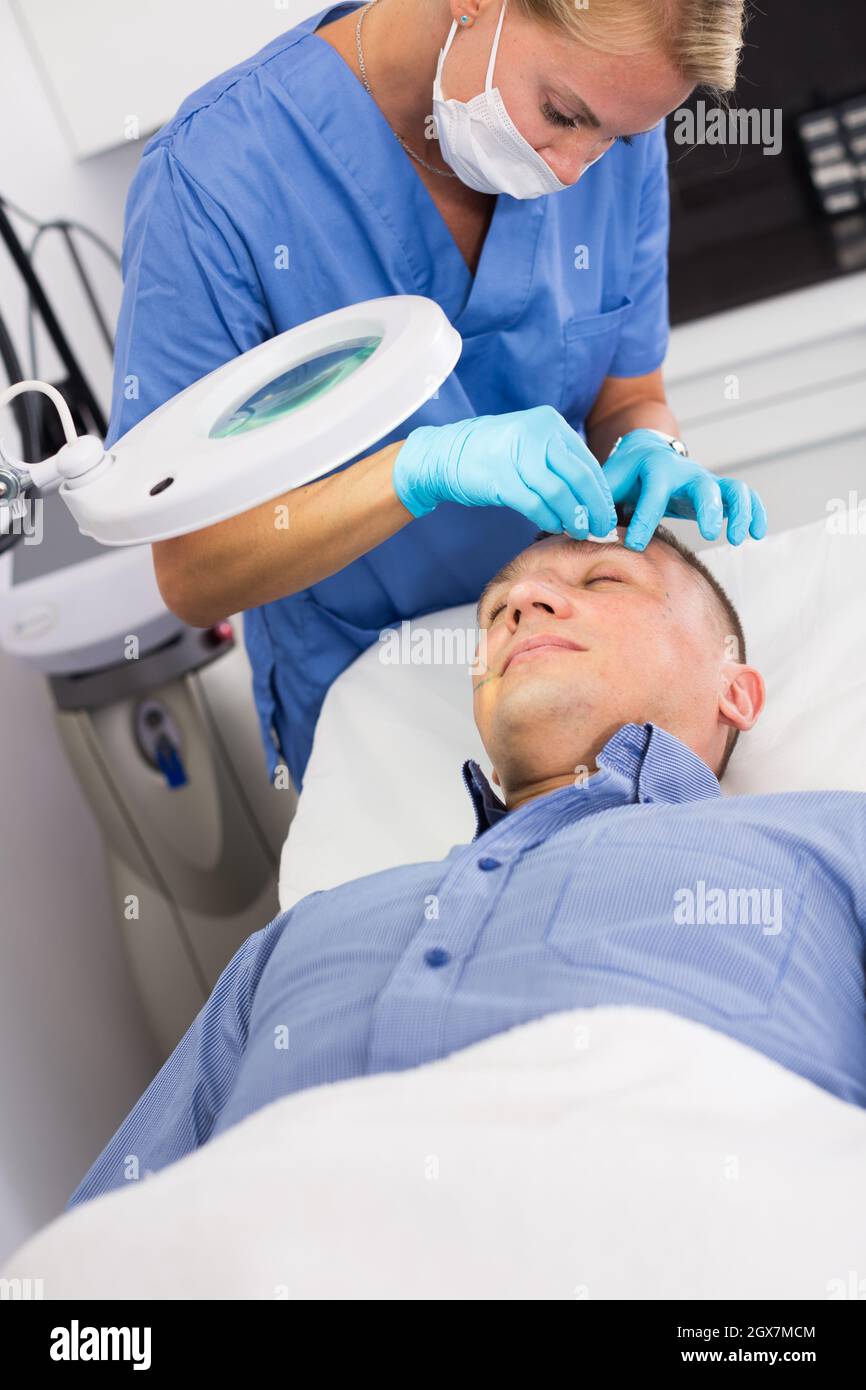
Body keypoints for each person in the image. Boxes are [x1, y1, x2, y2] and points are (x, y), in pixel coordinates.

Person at [66, 525, 866, 1210]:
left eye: (602, 578)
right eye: (496, 610)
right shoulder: (296, 940)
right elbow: (99, 1263)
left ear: (738, 691)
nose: (523, 606)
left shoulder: (827, 847)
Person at [103, 0, 765, 790]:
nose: (571, 172)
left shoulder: (616, 114)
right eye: (560, 114)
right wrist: (414, 472)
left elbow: (628, 400)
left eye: (615, 141)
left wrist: (655, 446)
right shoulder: (215, 185)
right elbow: (194, 574)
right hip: (365, 679)